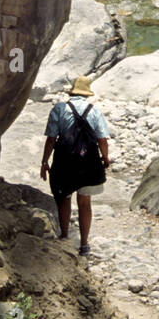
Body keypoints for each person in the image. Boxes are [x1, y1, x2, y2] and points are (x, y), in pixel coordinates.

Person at [40, 76, 110, 256]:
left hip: (65, 160)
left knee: (64, 198)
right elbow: (102, 139)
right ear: (87, 94)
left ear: (72, 92)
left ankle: (64, 237)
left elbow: (51, 138)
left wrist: (45, 162)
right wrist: (106, 158)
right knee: (85, 203)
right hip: (88, 160)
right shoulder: (95, 111)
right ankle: (84, 245)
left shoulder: (59, 109)